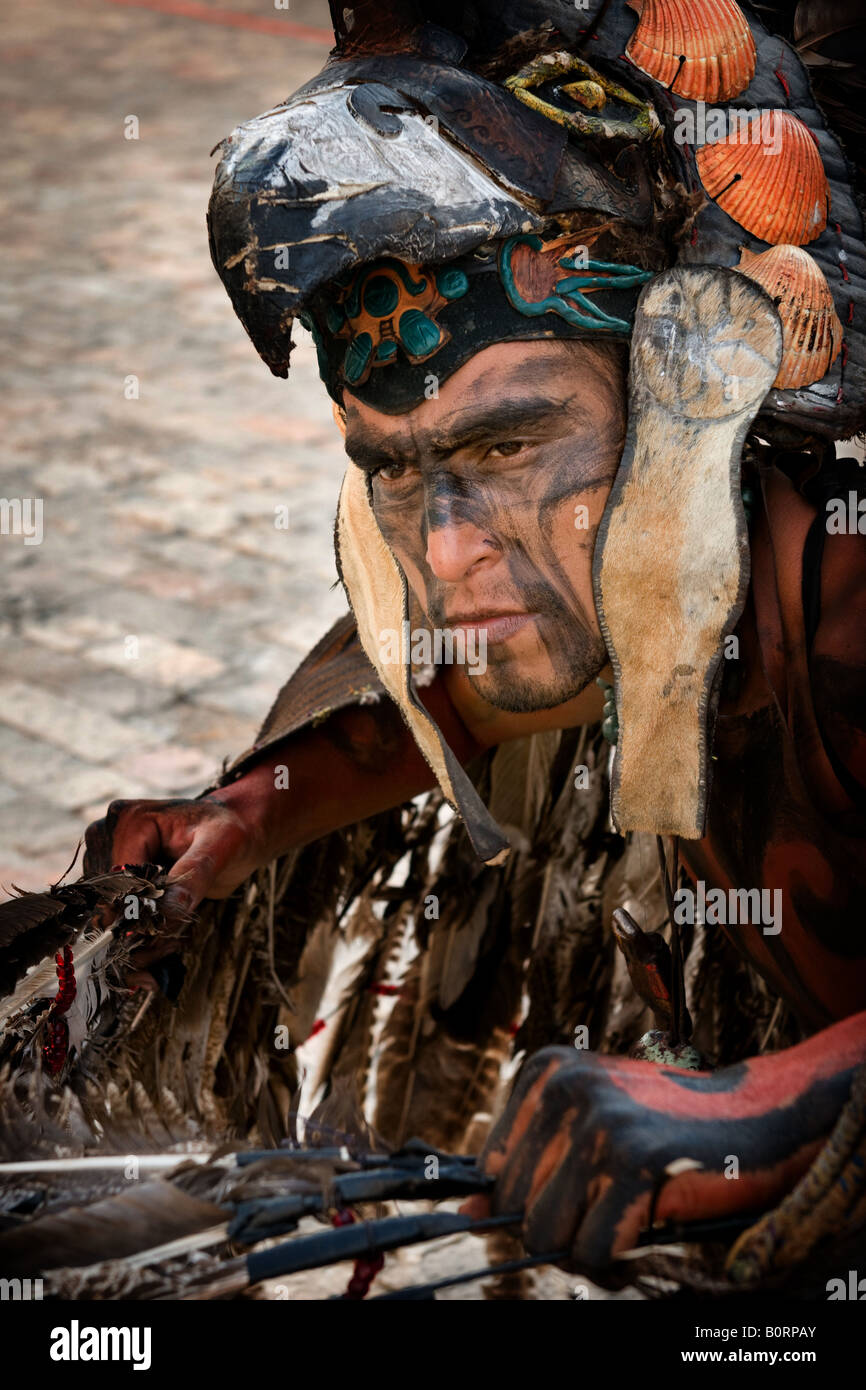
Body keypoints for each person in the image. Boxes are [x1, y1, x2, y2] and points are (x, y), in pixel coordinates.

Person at [83, 0, 866, 1282]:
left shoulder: (835, 578)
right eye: (398, 471)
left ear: (684, 389)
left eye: (504, 447)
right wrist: (244, 814)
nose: (444, 553)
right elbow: (471, 702)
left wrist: (758, 1106)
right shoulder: (654, 564)